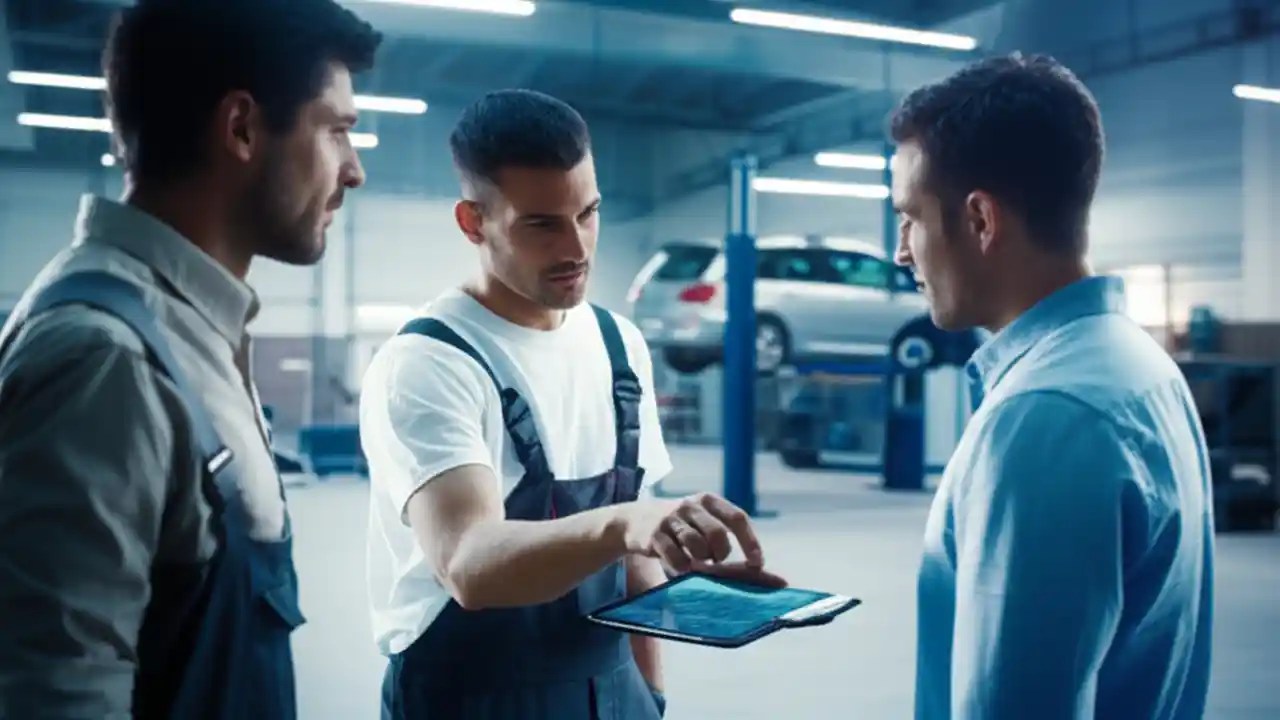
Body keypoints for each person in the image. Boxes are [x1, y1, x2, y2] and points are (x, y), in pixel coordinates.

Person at [0, 1, 379, 717]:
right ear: (241, 128)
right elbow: (57, 695)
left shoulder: (187, 330)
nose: (353, 169)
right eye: (335, 130)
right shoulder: (105, 361)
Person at [360, 89, 783, 720]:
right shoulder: (430, 362)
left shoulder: (619, 346)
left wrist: (652, 693)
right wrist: (621, 524)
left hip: (613, 691)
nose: (577, 248)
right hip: (472, 698)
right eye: (542, 224)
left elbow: (634, 562)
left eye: (588, 213)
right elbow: (470, 564)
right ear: (473, 222)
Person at [889, 53, 1214, 720]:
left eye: (911, 218)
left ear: (981, 220)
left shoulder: (1041, 418)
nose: (901, 251)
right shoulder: (1141, 367)